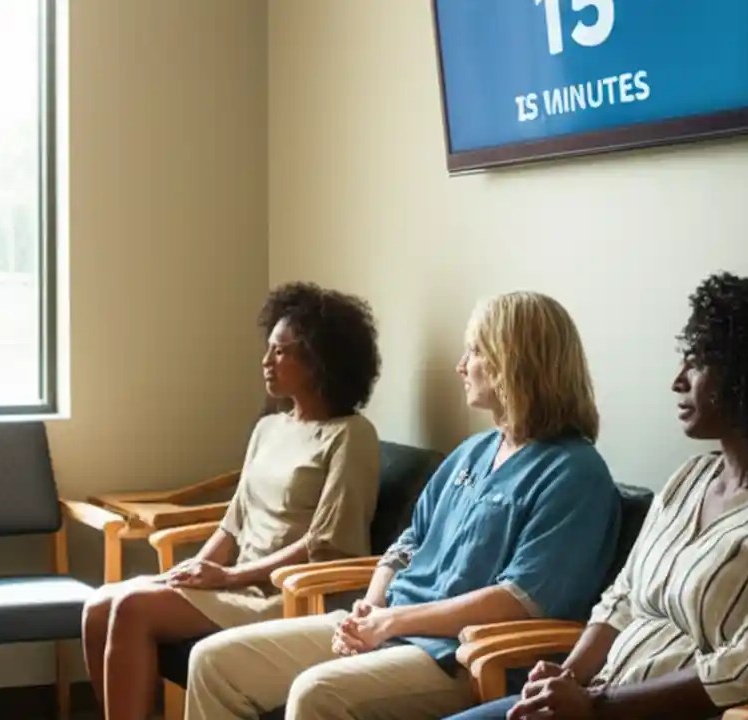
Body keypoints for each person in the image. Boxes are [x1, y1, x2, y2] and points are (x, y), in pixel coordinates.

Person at [185, 291, 623, 720]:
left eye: (474, 351)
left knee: (318, 694)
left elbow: (519, 600)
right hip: (392, 625)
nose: (461, 365)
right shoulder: (473, 452)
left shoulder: (575, 474)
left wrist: (392, 622)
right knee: (214, 662)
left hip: (459, 656)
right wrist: (372, 607)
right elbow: (407, 544)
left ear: (513, 362)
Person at [449, 273, 748, 720]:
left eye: (697, 364)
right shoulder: (692, 477)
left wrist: (595, 706)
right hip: (602, 696)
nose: (678, 381)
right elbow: (623, 597)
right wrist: (564, 681)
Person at [82, 282, 384, 720]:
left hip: (288, 595)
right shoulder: (269, 428)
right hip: (236, 584)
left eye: (280, 352)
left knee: (131, 609)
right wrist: (191, 571)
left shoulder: (351, 436)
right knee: (98, 606)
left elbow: (326, 543)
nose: (266, 361)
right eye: (268, 348)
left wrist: (228, 576)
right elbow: (234, 520)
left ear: (318, 361)